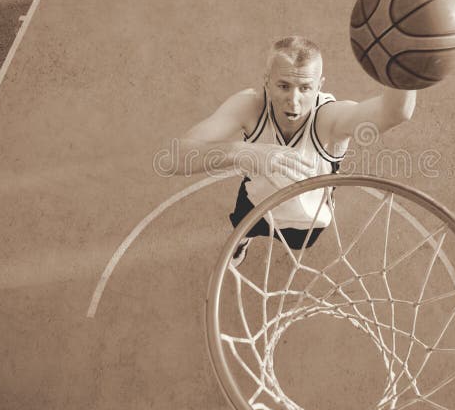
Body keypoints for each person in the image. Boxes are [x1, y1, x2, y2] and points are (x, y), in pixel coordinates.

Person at [173, 35, 416, 266]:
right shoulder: (249, 107)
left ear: (319, 86)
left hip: (307, 220)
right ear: (266, 80)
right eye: (284, 86)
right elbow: (176, 157)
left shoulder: (329, 119)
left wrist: (404, 59)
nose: (294, 99)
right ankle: (243, 241)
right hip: (256, 203)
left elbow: (396, 112)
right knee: (242, 227)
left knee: (298, 244)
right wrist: (241, 151)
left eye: (305, 88)